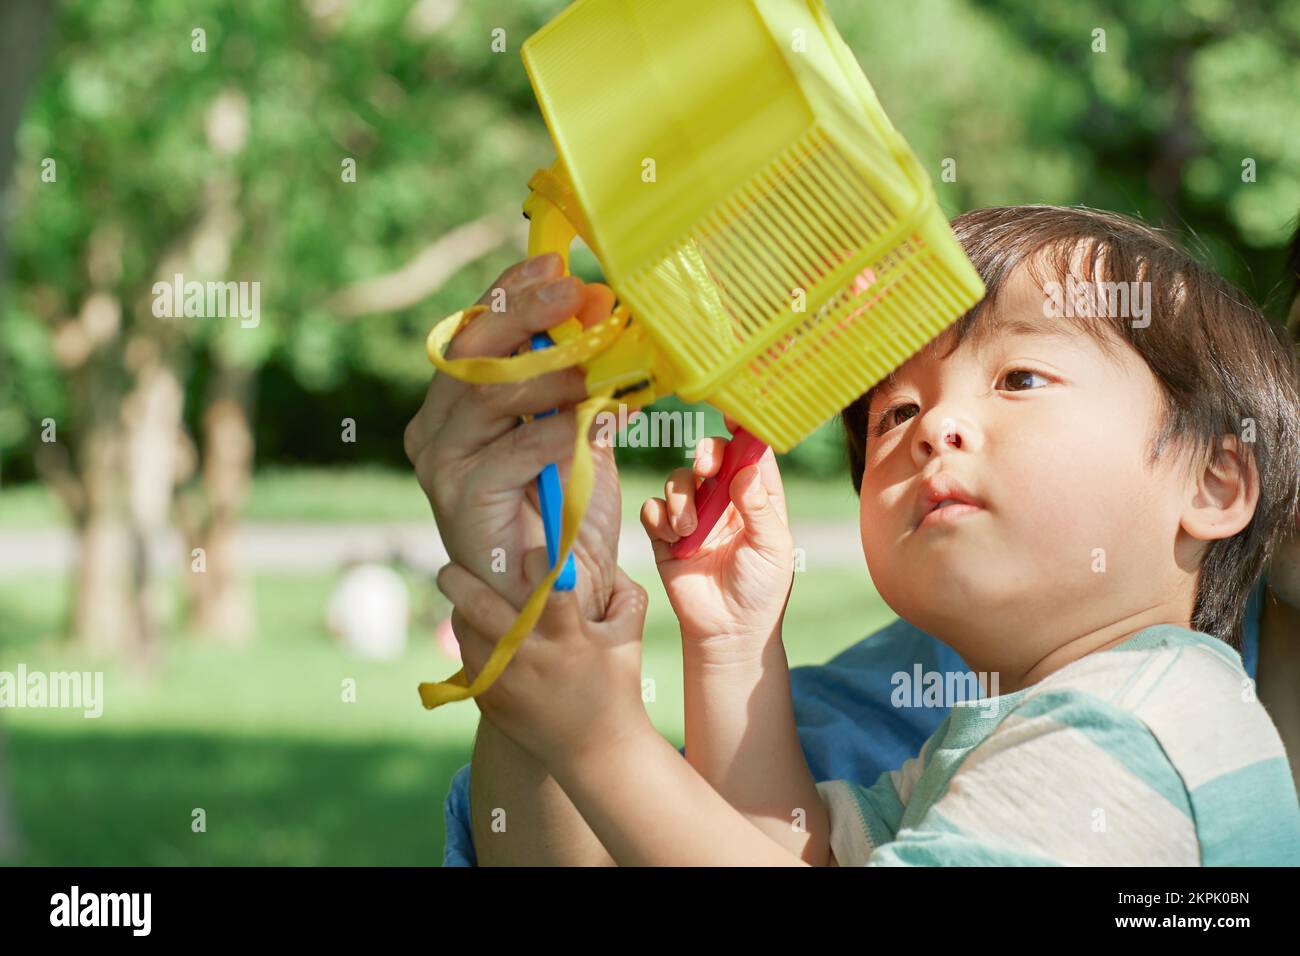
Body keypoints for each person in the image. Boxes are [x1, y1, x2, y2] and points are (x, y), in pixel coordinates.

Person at [428, 205, 1300, 865]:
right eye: (897, 412)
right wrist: (733, 650)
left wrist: (598, 739)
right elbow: (780, 849)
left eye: (1021, 377)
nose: (936, 427)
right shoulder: (1013, 732)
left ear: (1215, 480)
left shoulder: (1123, 738)